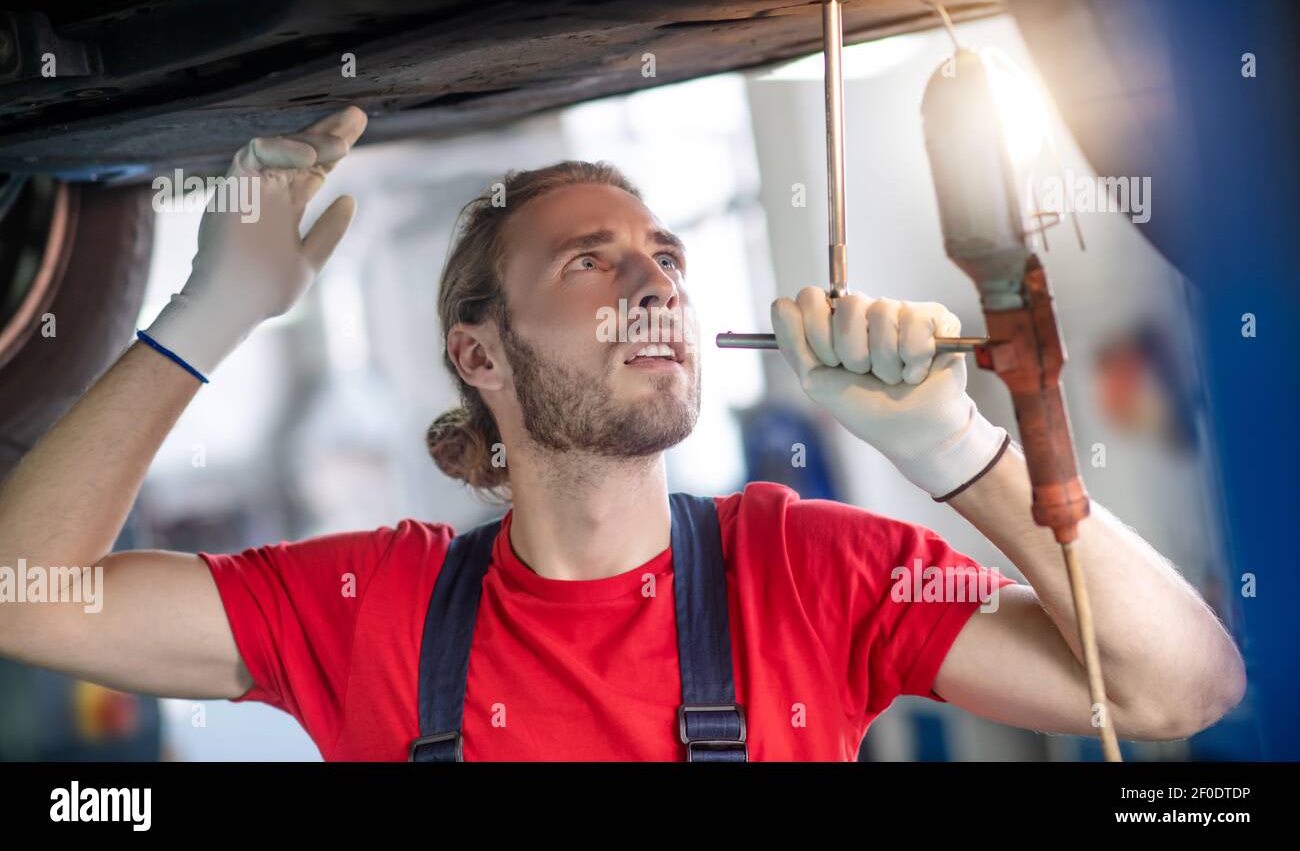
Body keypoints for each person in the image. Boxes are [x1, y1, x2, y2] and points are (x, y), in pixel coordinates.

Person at [0, 106, 1245, 761]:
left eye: (665, 259)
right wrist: (204, 317)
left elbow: (1180, 689)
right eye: (589, 263)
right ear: (477, 355)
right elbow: (25, 594)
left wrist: (955, 450)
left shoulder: (807, 571)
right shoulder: (361, 603)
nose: (653, 287)